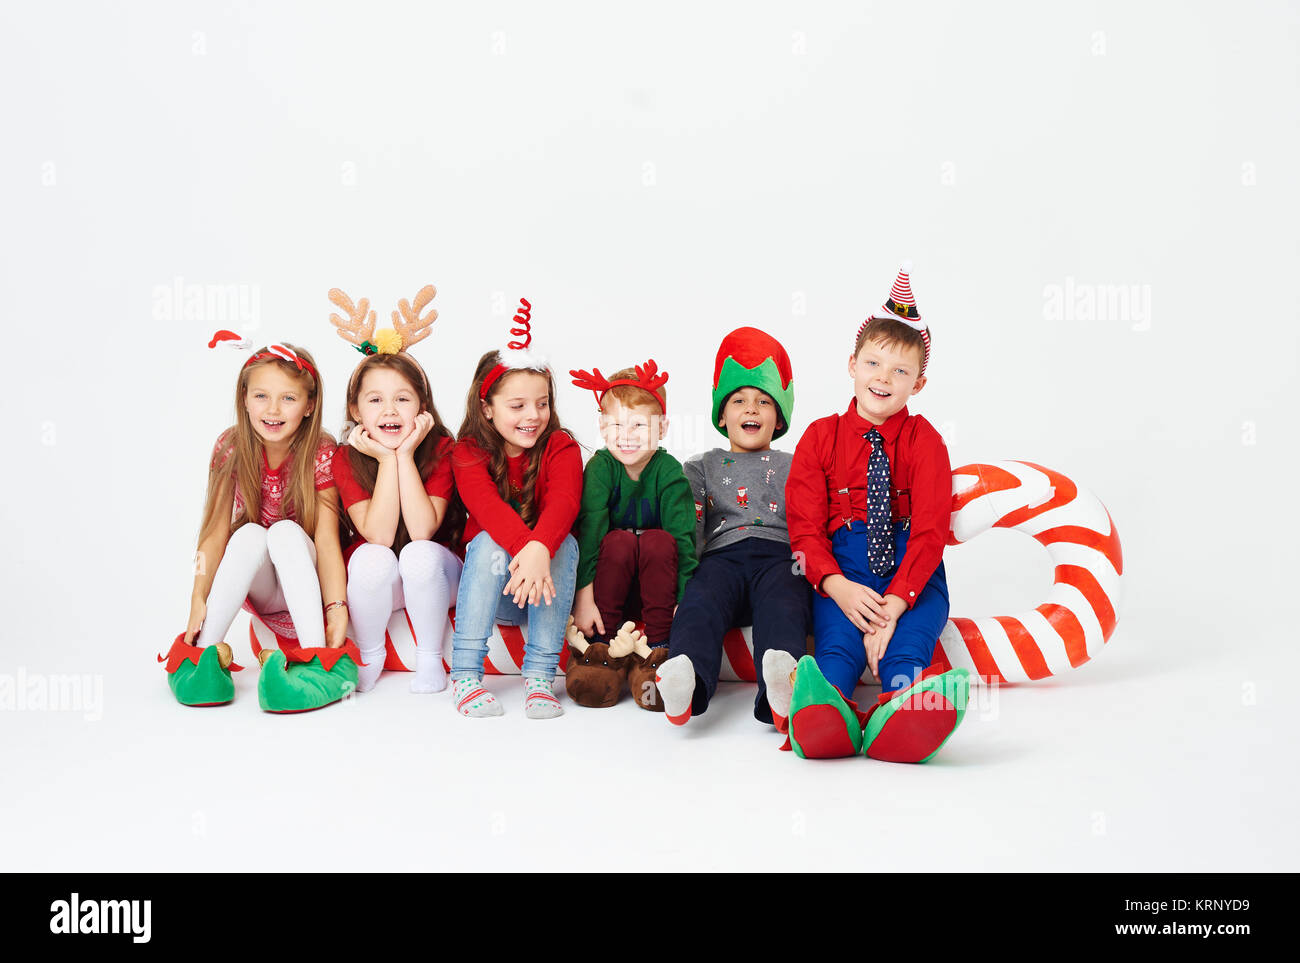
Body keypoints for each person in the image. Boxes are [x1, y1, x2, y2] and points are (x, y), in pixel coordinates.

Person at [776, 263, 969, 762]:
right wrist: (835, 585)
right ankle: (827, 716)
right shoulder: (820, 437)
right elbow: (805, 528)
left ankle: (898, 716)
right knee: (837, 646)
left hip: (913, 570)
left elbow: (930, 530)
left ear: (918, 384)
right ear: (852, 363)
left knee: (908, 646)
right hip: (845, 568)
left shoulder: (925, 442)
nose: (884, 379)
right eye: (873, 364)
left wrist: (900, 601)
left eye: (900, 371)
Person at [162, 337, 357, 712]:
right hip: (267, 589)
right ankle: (202, 654)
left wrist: (335, 607)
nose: (273, 409)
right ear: (244, 398)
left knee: (284, 531)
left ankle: (316, 659)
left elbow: (328, 541)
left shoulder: (321, 451)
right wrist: (197, 596)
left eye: (288, 398)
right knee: (250, 533)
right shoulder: (230, 447)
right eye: (261, 396)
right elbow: (214, 532)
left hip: (308, 583)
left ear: (309, 405)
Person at [653, 326, 812, 727]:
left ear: (779, 418)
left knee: (785, 603)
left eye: (763, 401)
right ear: (722, 415)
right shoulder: (701, 465)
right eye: (738, 401)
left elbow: (810, 520)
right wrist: (681, 584)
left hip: (779, 557)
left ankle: (781, 681)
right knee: (699, 603)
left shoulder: (794, 464)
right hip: (720, 558)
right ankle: (687, 676)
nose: (751, 409)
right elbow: (688, 526)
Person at [448, 299, 582, 718]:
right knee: (489, 541)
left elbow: (565, 502)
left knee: (566, 545)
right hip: (497, 588)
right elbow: (487, 508)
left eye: (541, 403)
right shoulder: (468, 451)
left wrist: (542, 548)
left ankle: (540, 676)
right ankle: (466, 674)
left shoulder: (561, 446)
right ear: (487, 409)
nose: (533, 415)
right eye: (517, 406)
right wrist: (531, 547)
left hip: (547, 589)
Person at [566, 360, 697, 709]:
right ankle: (604, 649)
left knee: (657, 539)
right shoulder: (600, 468)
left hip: (657, 591)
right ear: (602, 427)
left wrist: (684, 602)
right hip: (609, 588)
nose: (626, 435)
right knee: (618, 539)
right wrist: (584, 597)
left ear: (663, 427)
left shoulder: (669, 472)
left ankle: (656, 649)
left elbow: (683, 542)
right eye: (616, 425)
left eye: (640, 424)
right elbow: (589, 533)